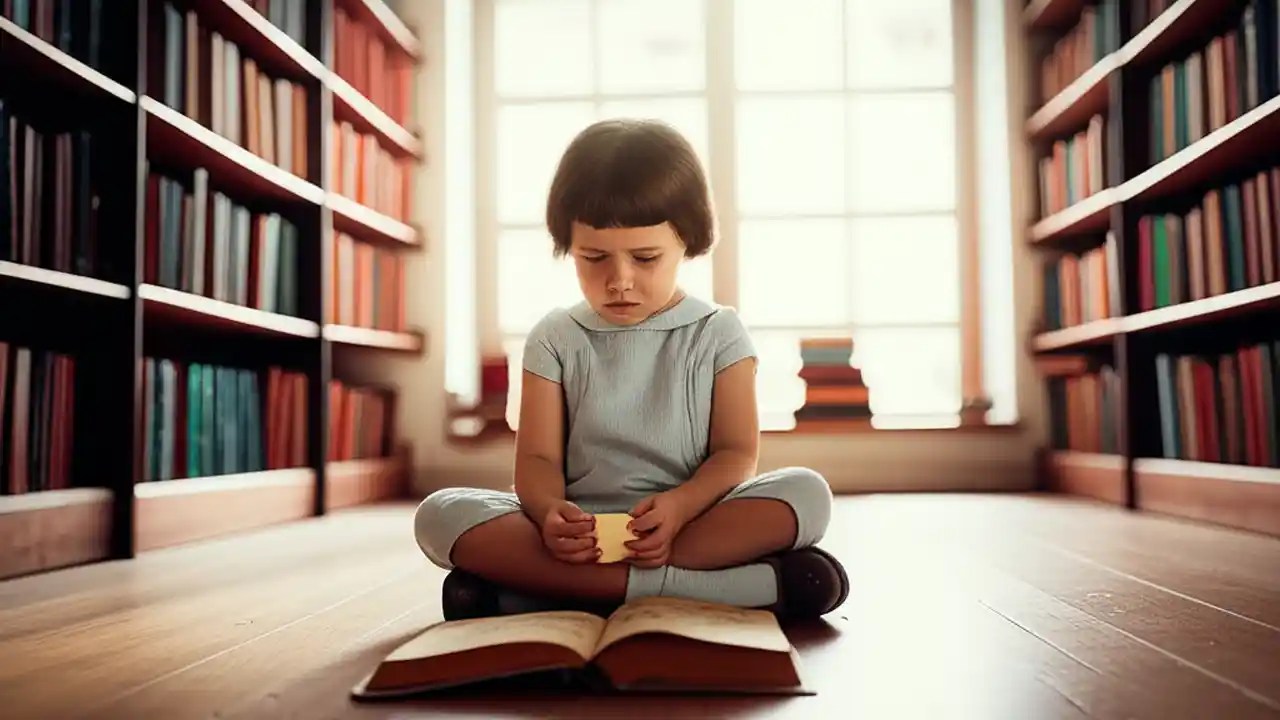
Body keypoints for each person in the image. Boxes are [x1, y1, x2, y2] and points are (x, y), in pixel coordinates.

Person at [414, 118, 848, 621]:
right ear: (567, 245)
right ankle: (738, 588)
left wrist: (681, 508)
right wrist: (549, 512)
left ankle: (545, 594)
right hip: (580, 536)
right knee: (439, 515)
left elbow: (736, 454)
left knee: (807, 494)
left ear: (688, 241)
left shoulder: (719, 332)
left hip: (691, 524)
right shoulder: (554, 338)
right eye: (593, 257)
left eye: (645, 258)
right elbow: (535, 460)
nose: (619, 280)